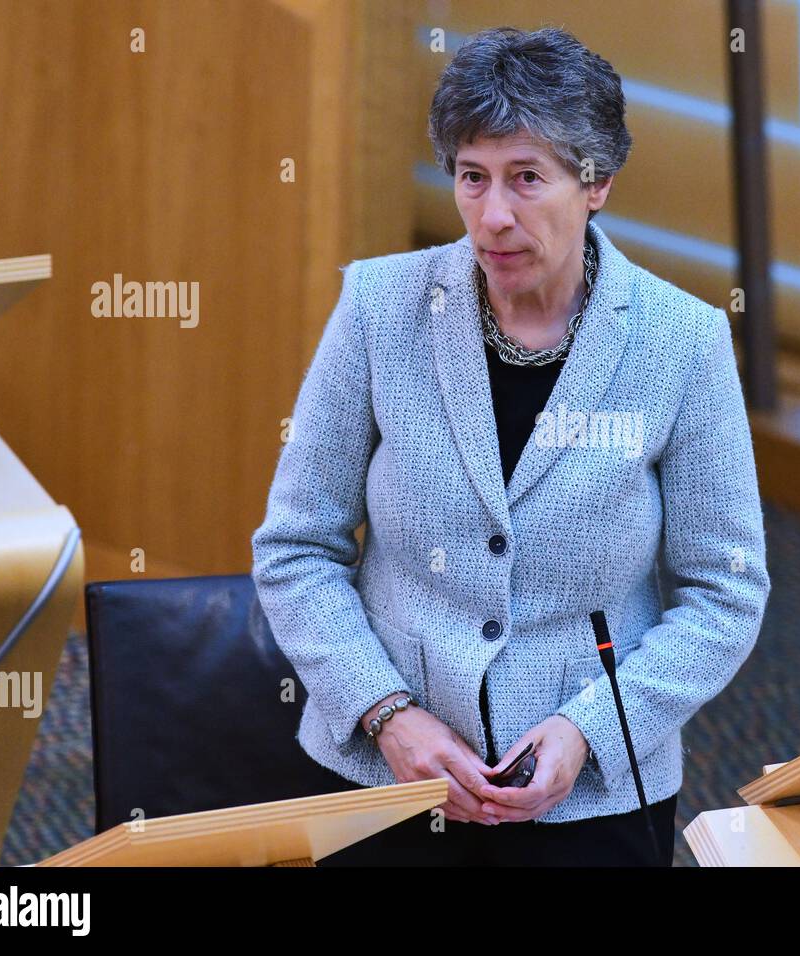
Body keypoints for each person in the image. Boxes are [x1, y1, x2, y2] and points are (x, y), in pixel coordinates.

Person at [250, 25, 770, 866]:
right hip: (388, 778)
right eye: (471, 178)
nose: (493, 216)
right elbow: (295, 548)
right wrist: (388, 712)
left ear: (595, 182)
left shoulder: (683, 342)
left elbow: (726, 593)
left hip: (593, 791)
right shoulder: (380, 309)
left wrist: (590, 730)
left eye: (527, 179)